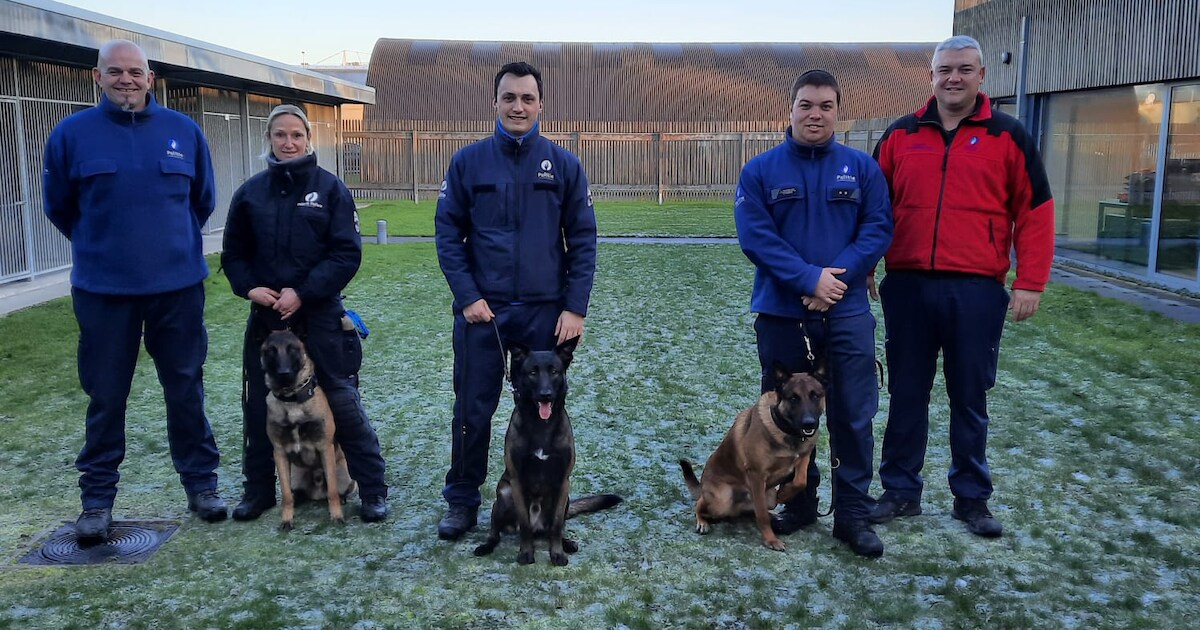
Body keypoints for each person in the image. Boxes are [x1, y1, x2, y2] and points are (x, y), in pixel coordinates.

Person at [42, 39, 227, 542]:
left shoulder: (183, 132)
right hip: (104, 292)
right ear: (97, 77)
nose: (126, 79)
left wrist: (166, 248)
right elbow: (59, 207)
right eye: (116, 71)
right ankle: (97, 501)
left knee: (186, 388)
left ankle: (202, 485)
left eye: (136, 71)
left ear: (151, 78)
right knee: (106, 396)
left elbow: (201, 201)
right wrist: (105, 247)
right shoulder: (71, 135)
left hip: (177, 289)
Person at [869, 35, 1054, 538]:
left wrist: (1030, 281)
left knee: (969, 396)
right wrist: (866, 265)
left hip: (976, 289)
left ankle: (971, 498)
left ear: (981, 76)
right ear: (931, 76)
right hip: (907, 286)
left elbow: (1034, 212)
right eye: (944, 69)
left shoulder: (1008, 136)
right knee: (908, 392)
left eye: (965, 69)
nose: (954, 78)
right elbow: (873, 209)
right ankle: (900, 491)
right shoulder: (901, 136)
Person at [434, 61, 597, 540]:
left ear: (541, 104)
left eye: (527, 98)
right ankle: (462, 499)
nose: (518, 106)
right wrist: (467, 297)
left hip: (546, 312)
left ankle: (542, 497)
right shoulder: (468, 162)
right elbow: (448, 234)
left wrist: (575, 307)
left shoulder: (564, 165)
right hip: (484, 312)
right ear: (496, 103)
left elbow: (583, 240)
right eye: (509, 97)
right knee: (472, 408)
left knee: (542, 409)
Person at [733, 69, 894, 557]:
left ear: (837, 112)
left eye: (825, 105)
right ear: (790, 109)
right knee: (784, 416)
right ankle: (799, 504)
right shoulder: (760, 171)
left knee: (853, 414)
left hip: (845, 315)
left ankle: (852, 515)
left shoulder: (862, 169)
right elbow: (756, 236)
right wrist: (807, 280)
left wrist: (834, 279)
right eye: (806, 104)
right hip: (783, 314)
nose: (815, 114)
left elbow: (878, 227)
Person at [221, 104, 390, 523]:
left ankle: (372, 490)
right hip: (267, 320)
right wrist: (250, 288)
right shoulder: (249, 193)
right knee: (259, 407)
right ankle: (258, 491)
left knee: (342, 401)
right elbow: (234, 255)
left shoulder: (330, 189)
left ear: (308, 138)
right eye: (280, 135)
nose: (289, 142)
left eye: (296, 134)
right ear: (269, 140)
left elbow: (346, 254)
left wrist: (304, 291)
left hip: (319, 315)